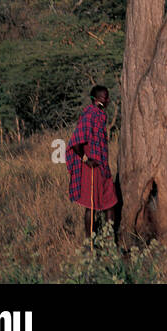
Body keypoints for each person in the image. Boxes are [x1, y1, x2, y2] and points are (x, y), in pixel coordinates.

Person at [67, 85, 118, 241]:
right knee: (91, 206)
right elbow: (75, 142)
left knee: (110, 202)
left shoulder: (100, 115)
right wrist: (86, 159)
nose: (107, 100)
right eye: (104, 97)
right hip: (92, 168)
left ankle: (109, 240)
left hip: (102, 166)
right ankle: (89, 244)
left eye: (107, 97)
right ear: (96, 99)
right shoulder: (90, 115)